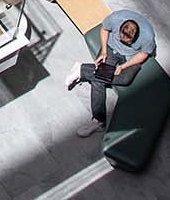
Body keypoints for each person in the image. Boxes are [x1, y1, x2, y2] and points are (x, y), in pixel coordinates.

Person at [64, 7, 156, 137]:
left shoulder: (148, 37)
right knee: (98, 82)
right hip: (111, 48)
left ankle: (82, 69)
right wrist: (104, 52)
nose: (123, 41)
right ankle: (99, 121)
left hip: (130, 57)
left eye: (127, 41)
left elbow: (143, 55)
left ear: (134, 39)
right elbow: (104, 29)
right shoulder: (116, 18)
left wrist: (124, 66)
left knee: (124, 79)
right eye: (121, 37)